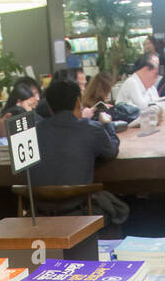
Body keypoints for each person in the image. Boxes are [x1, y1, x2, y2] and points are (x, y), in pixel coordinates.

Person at [32, 78, 121, 216]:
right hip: (80, 214)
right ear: (78, 102)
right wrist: (107, 124)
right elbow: (111, 152)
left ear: (49, 107)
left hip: (39, 215)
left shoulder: (30, 133)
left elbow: (22, 174)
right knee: (117, 206)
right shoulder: (92, 129)